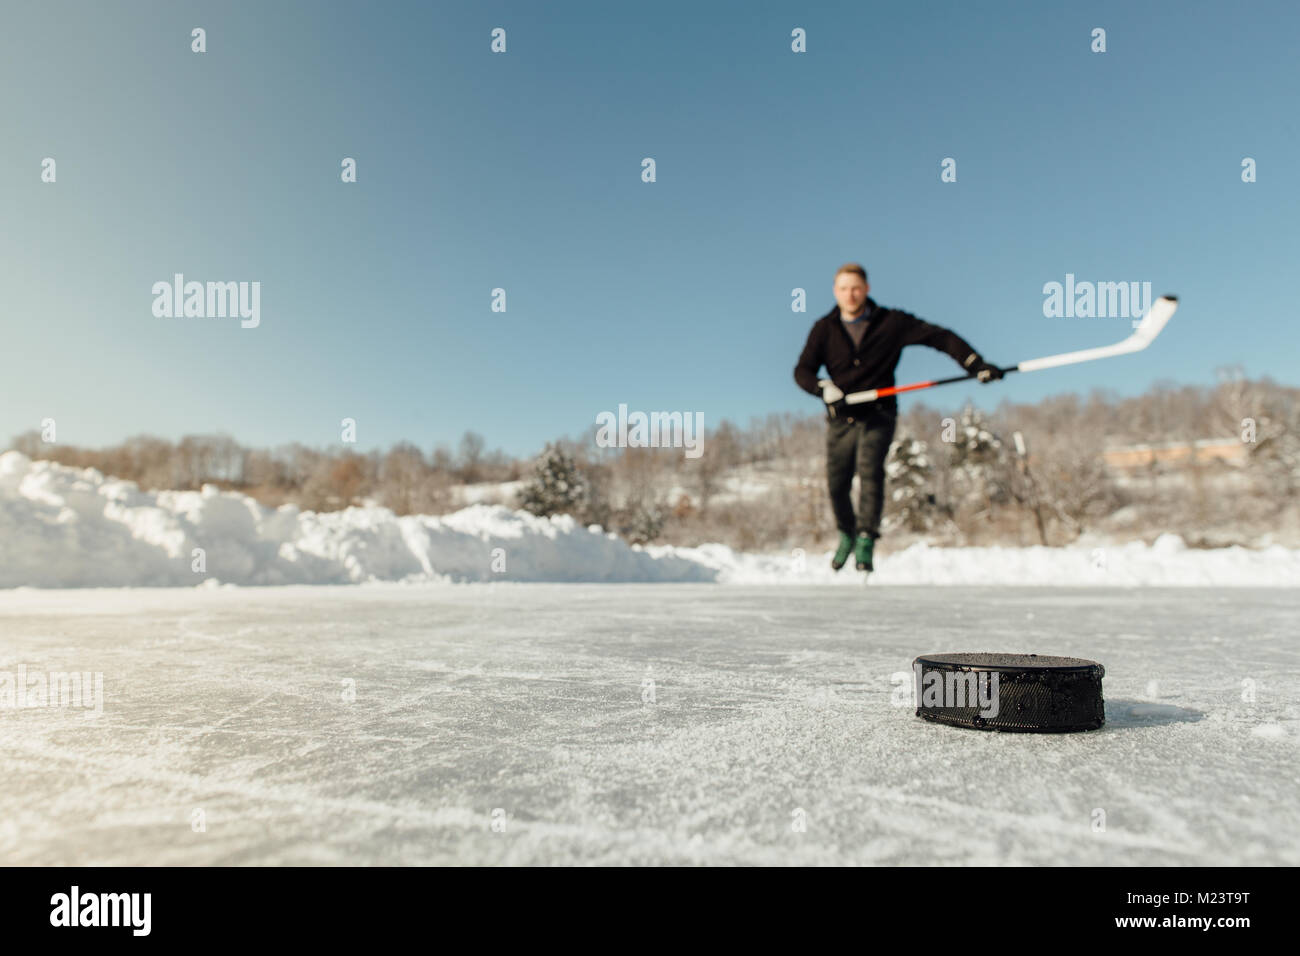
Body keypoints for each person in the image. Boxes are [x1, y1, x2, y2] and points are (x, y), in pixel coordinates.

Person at [793, 263, 1003, 573]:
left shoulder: (891, 322)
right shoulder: (823, 329)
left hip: (879, 412)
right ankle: (846, 533)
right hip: (841, 417)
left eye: (856, 288)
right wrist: (822, 388)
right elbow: (802, 371)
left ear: (866, 289)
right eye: (843, 289)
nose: (850, 295)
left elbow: (940, 337)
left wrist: (975, 363)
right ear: (835, 292)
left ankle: (866, 538)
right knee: (837, 483)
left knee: (870, 471)